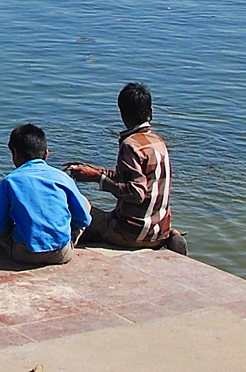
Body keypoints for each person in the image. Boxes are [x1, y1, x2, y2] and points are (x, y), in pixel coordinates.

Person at [67, 82, 187, 254]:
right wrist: (96, 171)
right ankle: (170, 237)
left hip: (129, 233)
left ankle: (102, 236)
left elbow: (136, 192)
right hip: (159, 231)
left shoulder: (130, 145)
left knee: (78, 208)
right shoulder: (159, 142)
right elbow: (135, 178)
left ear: (123, 115)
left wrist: (98, 179)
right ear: (150, 111)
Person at [0, 123, 92, 266]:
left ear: (15, 155)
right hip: (61, 254)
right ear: (47, 153)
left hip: (23, 254)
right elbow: (84, 220)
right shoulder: (62, 177)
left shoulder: (10, 181)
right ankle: (67, 242)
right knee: (84, 202)